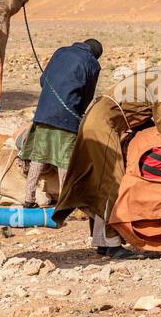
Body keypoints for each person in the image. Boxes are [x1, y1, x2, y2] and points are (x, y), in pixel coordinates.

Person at [21, 39, 102, 207]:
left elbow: (44, 80)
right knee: (64, 160)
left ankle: (28, 198)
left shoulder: (61, 51)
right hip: (68, 117)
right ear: (96, 54)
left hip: (44, 113)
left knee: (39, 156)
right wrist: (79, 113)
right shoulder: (92, 63)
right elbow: (88, 94)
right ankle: (65, 202)